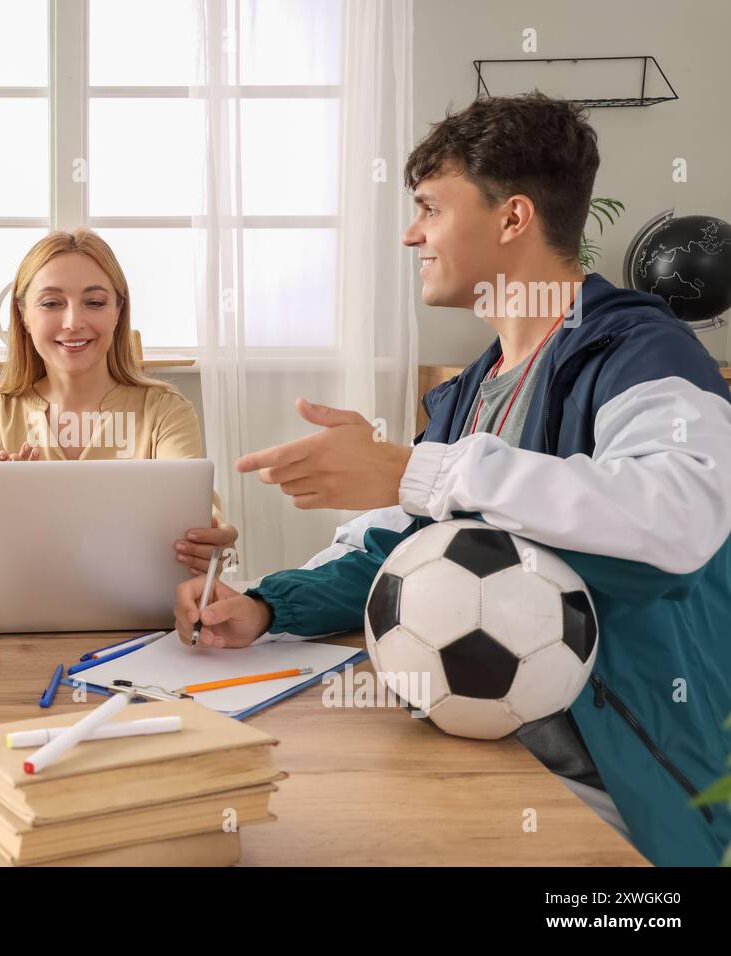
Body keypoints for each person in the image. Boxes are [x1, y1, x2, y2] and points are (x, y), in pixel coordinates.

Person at [174, 94, 731, 866]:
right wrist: (266, 606)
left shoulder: (644, 351)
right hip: (489, 758)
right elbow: (412, 548)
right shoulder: (472, 391)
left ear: (512, 219)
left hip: (627, 798)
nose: (411, 234)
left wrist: (411, 468)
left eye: (430, 209)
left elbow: (679, 521)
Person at [0, 228, 235, 573]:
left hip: (143, 614)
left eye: (94, 302)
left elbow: (196, 515)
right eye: (51, 303)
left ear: (118, 312)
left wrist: (212, 534)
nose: (74, 322)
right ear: (23, 317)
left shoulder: (166, 412)